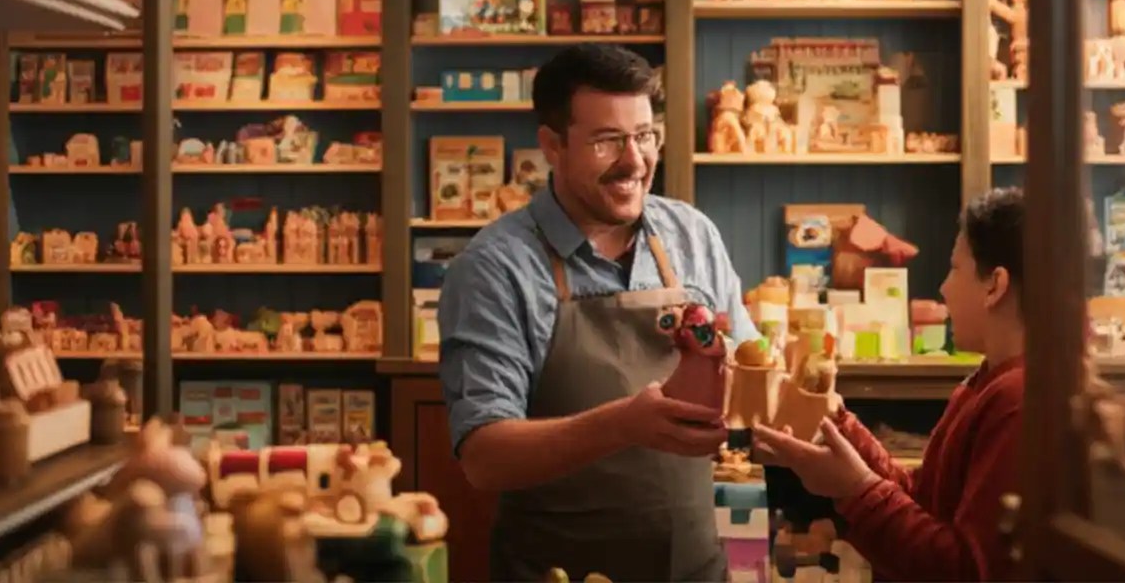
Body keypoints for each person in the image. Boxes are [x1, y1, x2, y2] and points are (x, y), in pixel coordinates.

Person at [439, 44, 759, 582]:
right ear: (552, 146)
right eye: (607, 141)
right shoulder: (495, 268)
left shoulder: (692, 235)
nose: (634, 160)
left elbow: (748, 374)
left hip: (695, 569)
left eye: (644, 136)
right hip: (560, 571)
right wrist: (624, 425)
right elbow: (485, 456)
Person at [755, 187, 1026, 581]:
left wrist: (854, 489)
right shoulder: (987, 380)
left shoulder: (1017, 399)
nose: (943, 288)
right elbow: (922, 501)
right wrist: (836, 421)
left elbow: (964, 571)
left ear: (994, 285)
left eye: (955, 268)